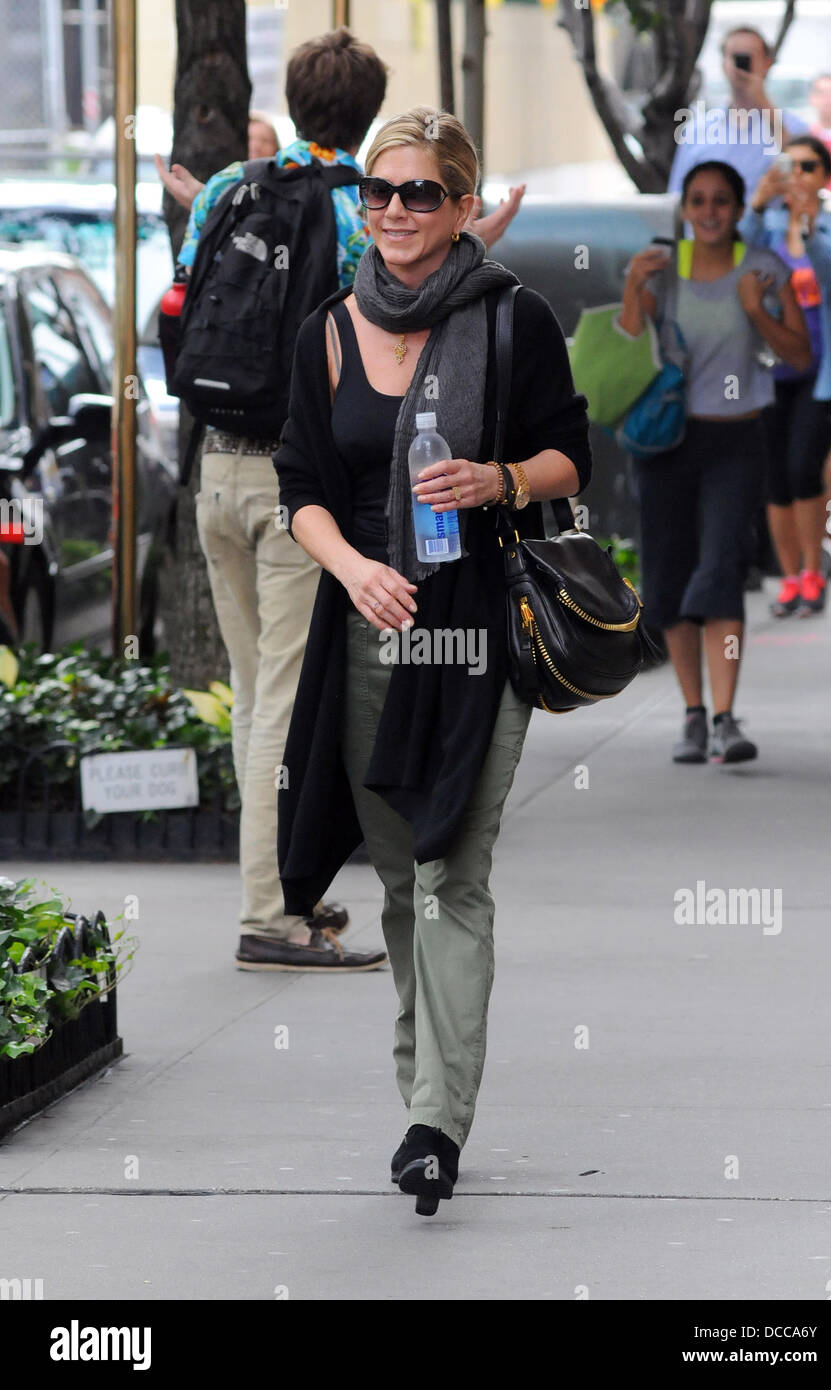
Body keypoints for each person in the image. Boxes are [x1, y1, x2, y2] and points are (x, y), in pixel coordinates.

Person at [272, 107, 591, 1214]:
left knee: (453, 866)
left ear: (464, 206)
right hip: (369, 623)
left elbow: (570, 455)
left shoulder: (514, 319)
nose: (396, 211)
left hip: (476, 633)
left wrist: (498, 478)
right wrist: (355, 570)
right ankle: (425, 1083)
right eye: (379, 190)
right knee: (402, 879)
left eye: (420, 193)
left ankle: (435, 1119)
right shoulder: (326, 329)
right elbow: (300, 485)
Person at [158, 31, 526, 975]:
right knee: (283, 700)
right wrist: (478, 242)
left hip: (216, 470)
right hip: (298, 482)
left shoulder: (224, 189)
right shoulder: (353, 209)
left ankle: (286, 883)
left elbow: (182, 294)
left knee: (254, 698)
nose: (396, 207)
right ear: (365, 117)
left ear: (288, 94)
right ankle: (271, 912)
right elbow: (402, 296)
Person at [620, 161, 811, 765]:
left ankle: (726, 717)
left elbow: (800, 356)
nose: (709, 211)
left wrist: (758, 313)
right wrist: (631, 289)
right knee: (669, 578)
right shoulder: (665, 265)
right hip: (667, 443)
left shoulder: (762, 268)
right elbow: (624, 353)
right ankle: (693, 715)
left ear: (736, 207)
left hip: (735, 442)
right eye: (698, 200)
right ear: (684, 207)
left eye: (722, 201)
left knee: (721, 567)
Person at [743, 135, 831, 617]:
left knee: (802, 469)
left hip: (825, 373)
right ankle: (790, 578)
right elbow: (735, 255)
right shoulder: (767, 226)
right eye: (790, 165)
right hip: (772, 369)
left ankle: (815, 571)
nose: (799, 174)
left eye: (809, 166)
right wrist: (758, 202)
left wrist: (808, 229)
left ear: (826, 174)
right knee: (775, 477)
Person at [669, 27, 808, 199]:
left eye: (748, 57)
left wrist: (765, 105)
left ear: (767, 63)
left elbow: (804, 179)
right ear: (724, 65)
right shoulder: (697, 131)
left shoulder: (794, 128)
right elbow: (677, 197)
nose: (741, 65)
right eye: (735, 57)